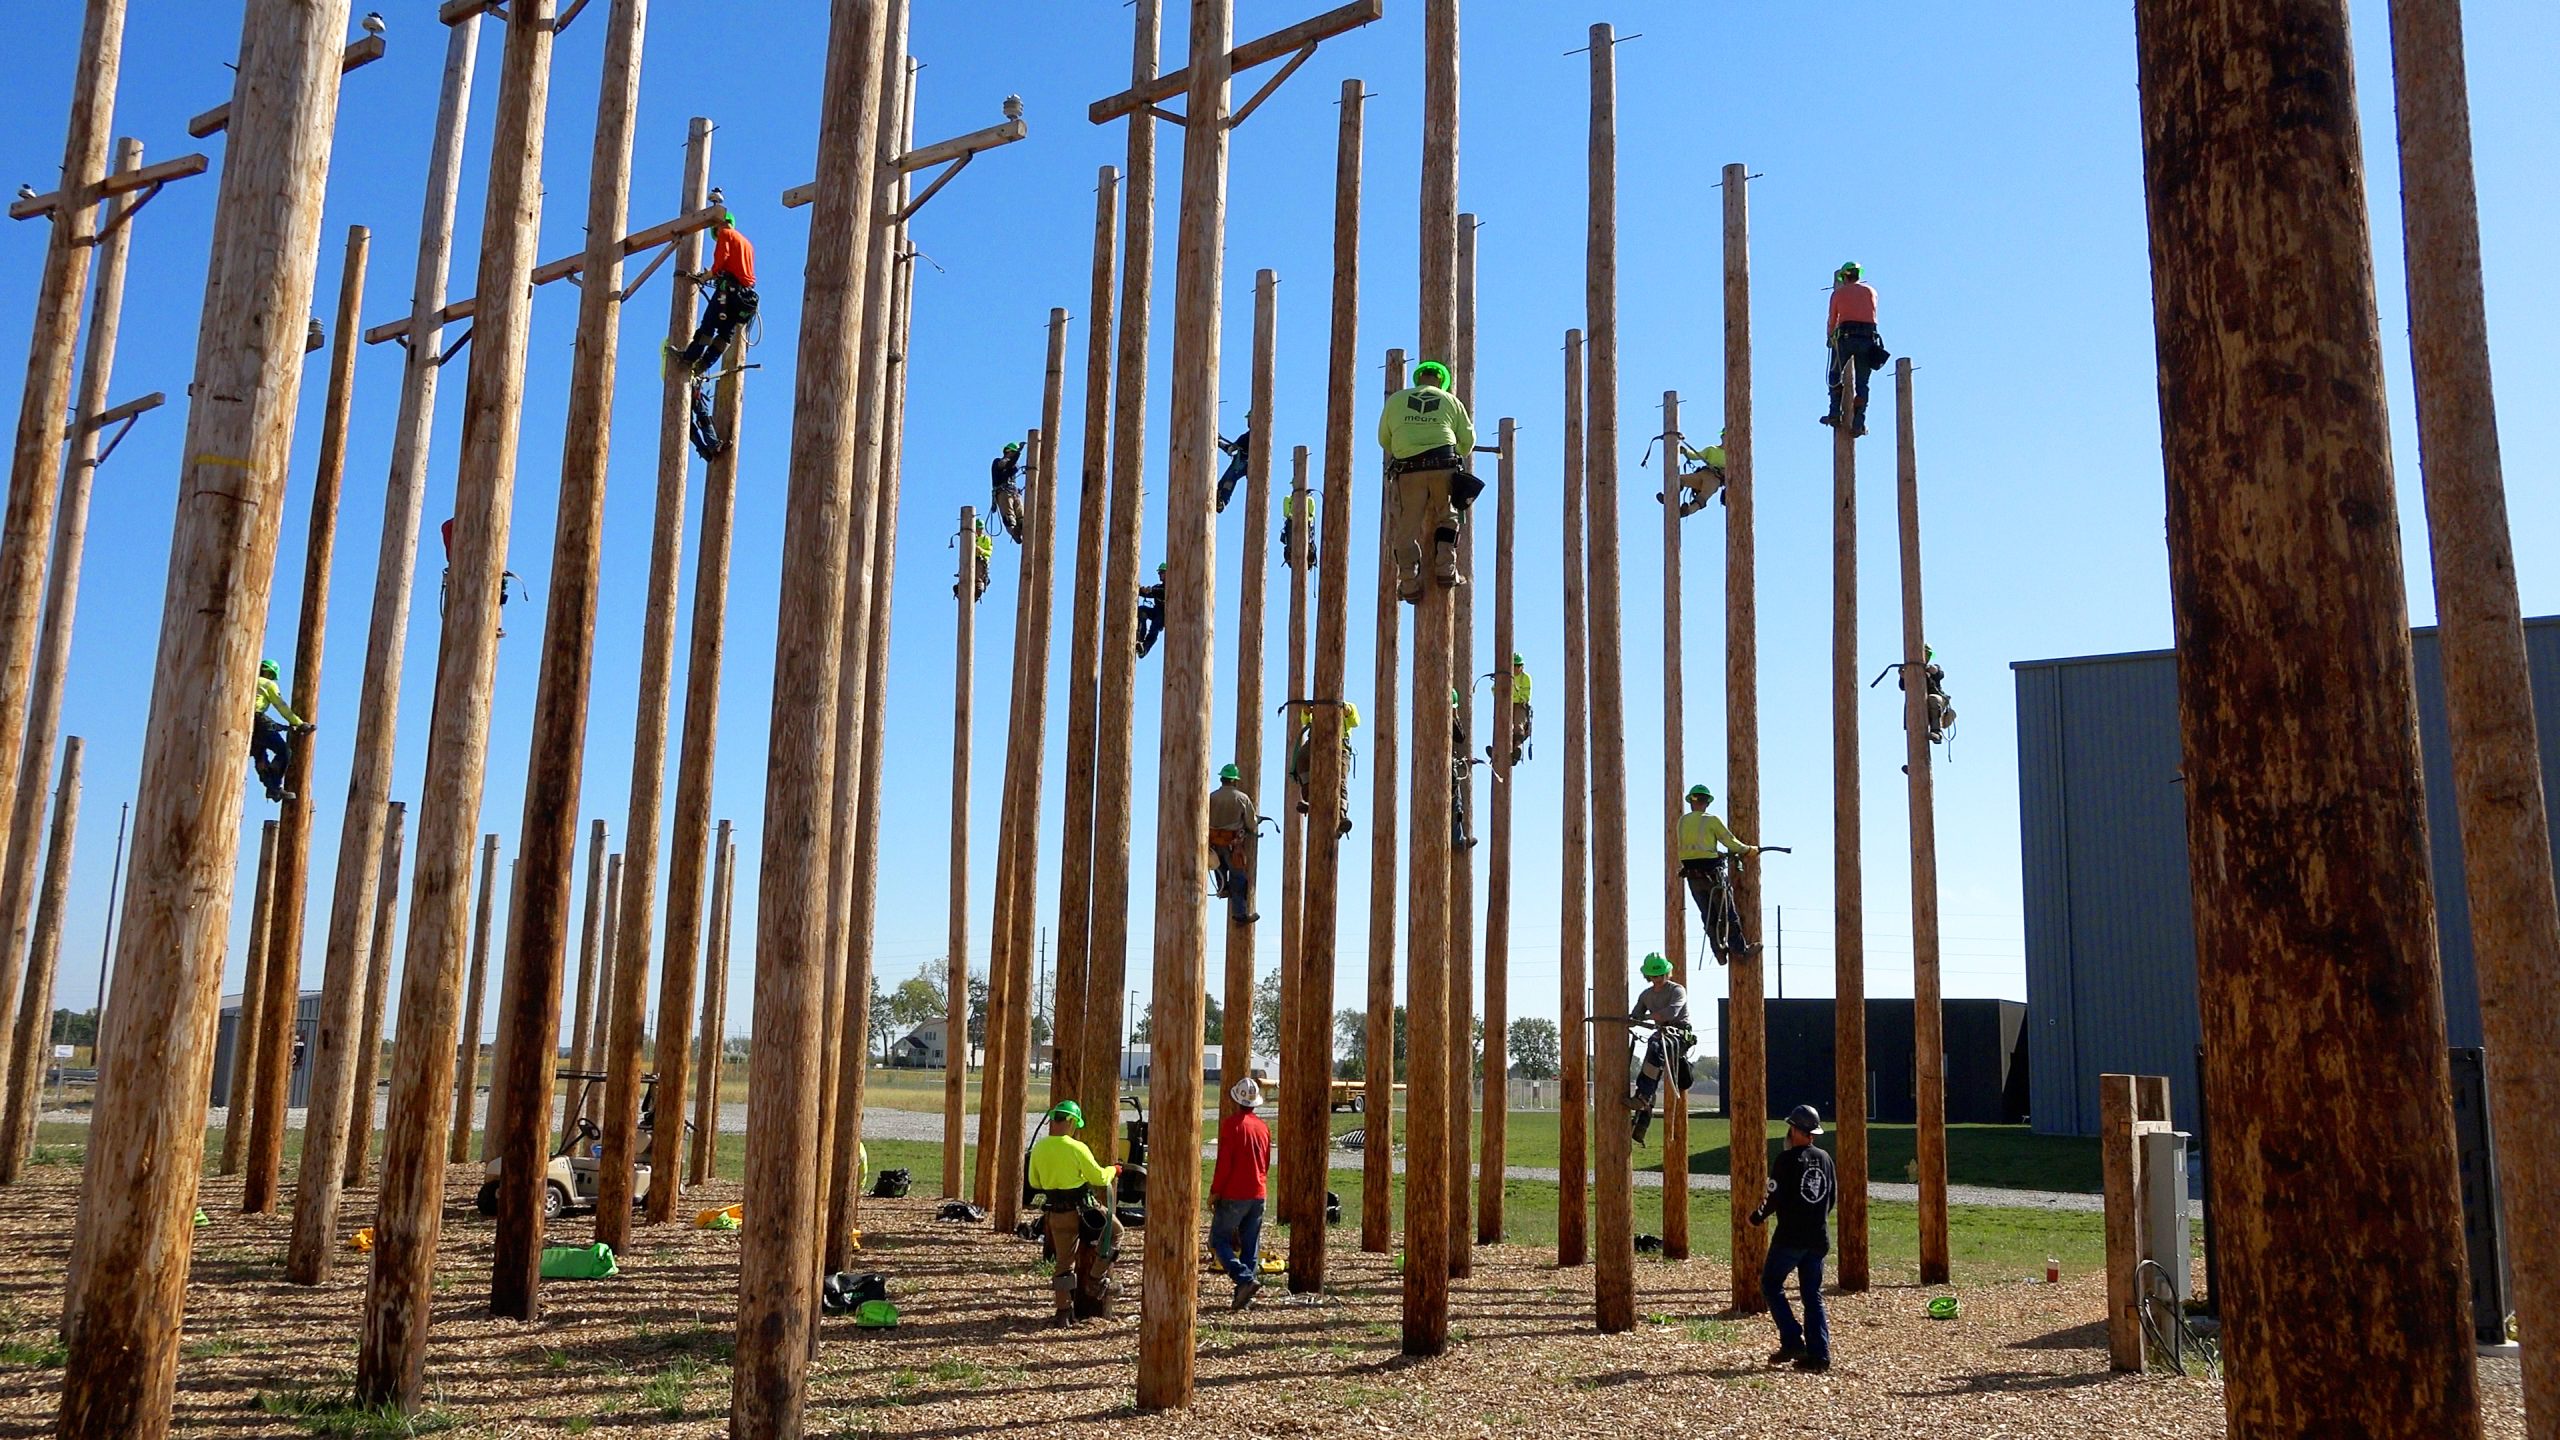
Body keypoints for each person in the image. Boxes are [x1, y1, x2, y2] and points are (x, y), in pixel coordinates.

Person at [1376, 360, 1477, 602]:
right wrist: (1457, 450)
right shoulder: (1450, 400)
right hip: (1444, 464)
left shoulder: (1397, 399)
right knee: (1448, 515)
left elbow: (1384, 439)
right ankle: (1445, 569)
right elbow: (1468, 439)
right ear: (1442, 381)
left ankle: (1409, 582)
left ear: (1418, 379)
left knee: (1407, 527)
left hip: (1408, 470)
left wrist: (1405, 447)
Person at [1750, 1104, 1838, 1373]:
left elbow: (1773, 1197)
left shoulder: (1786, 1160)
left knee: (1771, 1283)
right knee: (1812, 1295)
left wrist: (1757, 1217)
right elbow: (1831, 1197)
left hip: (1790, 1238)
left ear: (1799, 1131)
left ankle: (1791, 1339)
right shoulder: (1825, 1158)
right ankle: (1820, 1355)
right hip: (1818, 1238)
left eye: (1791, 1127)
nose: (1788, 1133)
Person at [1024, 1101, 1122, 1327]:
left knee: (1064, 1263)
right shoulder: (1077, 1148)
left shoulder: (1040, 1147)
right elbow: (1098, 1178)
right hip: (1082, 1209)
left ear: (1053, 1120)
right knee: (1116, 1231)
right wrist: (1114, 1170)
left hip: (1056, 1214)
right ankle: (1096, 1280)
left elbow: (1034, 1182)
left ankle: (1063, 1312)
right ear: (1070, 1121)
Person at [1209, 1077, 1273, 1309]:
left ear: (1236, 1099)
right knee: (1250, 1244)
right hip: (1258, 1193)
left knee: (1218, 1240)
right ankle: (1243, 1296)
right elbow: (1265, 1163)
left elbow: (1224, 1163)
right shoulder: (1264, 1129)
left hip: (1235, 1194)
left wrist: (1215, 1191)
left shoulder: (1231, 1126)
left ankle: (1245, 1279)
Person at [1676, 783, 1758, 962]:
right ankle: (1739, 951)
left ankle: (1719, 951)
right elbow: (1731, 842)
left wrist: (1715, 852)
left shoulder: (1682, 821)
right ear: (1707, 802)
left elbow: (1693, 848)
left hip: (1693, 876)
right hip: (1713, 874)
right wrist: (1749, 849)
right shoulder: (1711, 820)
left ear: (1691, 802)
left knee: (1708, 915)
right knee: (1727, 913)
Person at [678, 207, 758, 377]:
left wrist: (707, 275)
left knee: (708, 325)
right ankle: (704, 364)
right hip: (744, 296)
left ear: (718, 226)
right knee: (725, 333)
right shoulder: (747, 244)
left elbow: (722, 259)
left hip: (728, 292)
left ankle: (689, 358)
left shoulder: (726, 234)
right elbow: (739, 270)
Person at [1624, 952, 1693, 1145]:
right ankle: (1641, 1120)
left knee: (1654, 1047)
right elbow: (1636, 1014)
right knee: (1651, 1066)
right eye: (1654, 976)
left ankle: (1643, 1096)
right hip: (1660, 1034)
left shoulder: (1677, 990)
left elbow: (1672, 1012)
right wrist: (1630, 1019)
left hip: (1679, 1035)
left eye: (1661, 975)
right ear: (1648, 976)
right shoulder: (1646, 995)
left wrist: (1647, 1018)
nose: (1658, 979)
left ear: (1668, 973)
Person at [1822, 261, 1887, 438]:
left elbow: (1833, 318)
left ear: (1844, 276)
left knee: (1835, 375)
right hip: (1868, 338)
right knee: (1862, 383)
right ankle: (1859, 422)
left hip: (1845, 337)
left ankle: (1835, 413)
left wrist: (1830, 337)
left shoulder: (1839, 293)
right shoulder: (1871, 291)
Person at [1289, 700, 1359, 835]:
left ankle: (1341, 814)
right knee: (1302, 758)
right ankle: (1311, 798)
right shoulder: (1318, 705)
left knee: (1341, 781)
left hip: (1341, 747)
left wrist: (1348, 710)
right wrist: (1307, 711)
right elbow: (1305, 720)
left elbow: (1355, 721)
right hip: (1316, 744)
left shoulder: (1346, 705)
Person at [1206, 764, 1260, 926]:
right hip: (1233, 845)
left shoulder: (1211, 797)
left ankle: (1223, 889)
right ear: (1235, 781)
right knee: (1239, 879)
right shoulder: (1242, 798)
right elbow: (1251, 824)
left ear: (1222, 779)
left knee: (1219, 870)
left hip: (1213, 844)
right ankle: (1240, 914)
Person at [250, 659, 309, 804]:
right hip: (258, 719)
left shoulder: (250, 679)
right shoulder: (268, 684)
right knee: (284, 752)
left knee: (260, 755)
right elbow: (281, 706)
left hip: (245, 721)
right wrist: (299, 723)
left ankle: (271, 786)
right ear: (270, 673)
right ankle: (274, 786)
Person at [1659, 430, 1728, 516]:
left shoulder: (1734, 456)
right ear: (1722, 437)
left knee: (1703, 496)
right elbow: (1695, 455)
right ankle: (1668, 497)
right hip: (1704, 474)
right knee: (1678, 479)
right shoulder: (1712, 449)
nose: (1726, 437)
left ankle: (1687, 510)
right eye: (1724, 435)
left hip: (1715, 480)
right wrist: (1685, 451)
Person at [1899, 645, 1955, 744]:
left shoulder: (1933, 668)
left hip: (1936, 700)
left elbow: (1939, 673)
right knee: (1913, 704)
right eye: (1926, 654)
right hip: (1917, 701)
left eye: (1929, 654)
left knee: (1932, 699)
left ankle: (1936, 731)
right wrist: (1903, 676)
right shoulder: (1909, 669)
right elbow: (1902, 687)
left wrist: (1932, 669)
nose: (1927, 657)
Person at [1492, 653, 1533, 766]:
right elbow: (1494, 690)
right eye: (1514, 665)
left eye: (1518, 665)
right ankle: (1498, 748)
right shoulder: (1506, 676)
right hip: (1506, 704)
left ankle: (1517, 747)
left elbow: (1526, 695)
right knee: (1502, 725)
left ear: (1522, 666)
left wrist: (1512, 696)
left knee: (1518, 726)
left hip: (1520, 705)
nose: (1515, 668)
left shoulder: (1526, 678)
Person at [1449, 688, 1477, 850]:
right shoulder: (1450, 721)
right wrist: (1456, 716)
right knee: (1457, 805)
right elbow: (1461, 737)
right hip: (1448, 771)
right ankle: (1458, 839)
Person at [990, 442, 1026, 543]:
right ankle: (1015, 533)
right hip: (1004, 493)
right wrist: (1019, 453)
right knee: (1009, 517)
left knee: (1022, 517)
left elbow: (1013, 467)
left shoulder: (1014, 465)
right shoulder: (998, 462)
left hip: (1014, 493)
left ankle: (1024, 531)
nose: (1014, 455)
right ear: (1007, 451)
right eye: (1013, 452)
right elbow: (1007, 465)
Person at [1215, 420, 1253, 514]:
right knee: (1229, 480)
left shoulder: (1246, 437)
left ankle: (1221, 499)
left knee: (1228, 480)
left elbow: (1230, 449)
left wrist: (1218, 441)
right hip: (1249, 466)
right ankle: (1221, 500)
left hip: (1242, 464)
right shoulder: (1260, 437)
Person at [955, 517, 994, 602]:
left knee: (978, 585)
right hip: (969, 560)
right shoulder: (969, 537)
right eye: (978, 529)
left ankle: (974, 597)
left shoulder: (986, 539)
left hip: (981, 561)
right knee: (963, 581)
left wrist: (981, 550)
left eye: (981, 529)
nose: (979, 531)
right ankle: (961, 594)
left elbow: (989, 552)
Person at [1134, 563, 1166, 658]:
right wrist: (1139, 589)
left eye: (1162, 572)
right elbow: (1149, 593)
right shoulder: (1158, 587)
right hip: (1156, 612)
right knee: (1142, 610)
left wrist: (1151, 590)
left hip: (1164, 616)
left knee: (1154, 629)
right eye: (1159, 573)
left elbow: (1161, 592)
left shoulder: (1173, 587)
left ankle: (1144, 649)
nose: (1160, 575)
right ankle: (1140, 637)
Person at [1280, 491, 1315, 571]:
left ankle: (1307, 556)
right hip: (1292, 525)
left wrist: (1304, 519)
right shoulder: (1288, 499)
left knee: (1306, 543)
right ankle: (1291, 554)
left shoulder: (1310, 500)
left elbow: (1311, 515)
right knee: (1292, 543)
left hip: (1306, 525)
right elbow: (1286, 513)